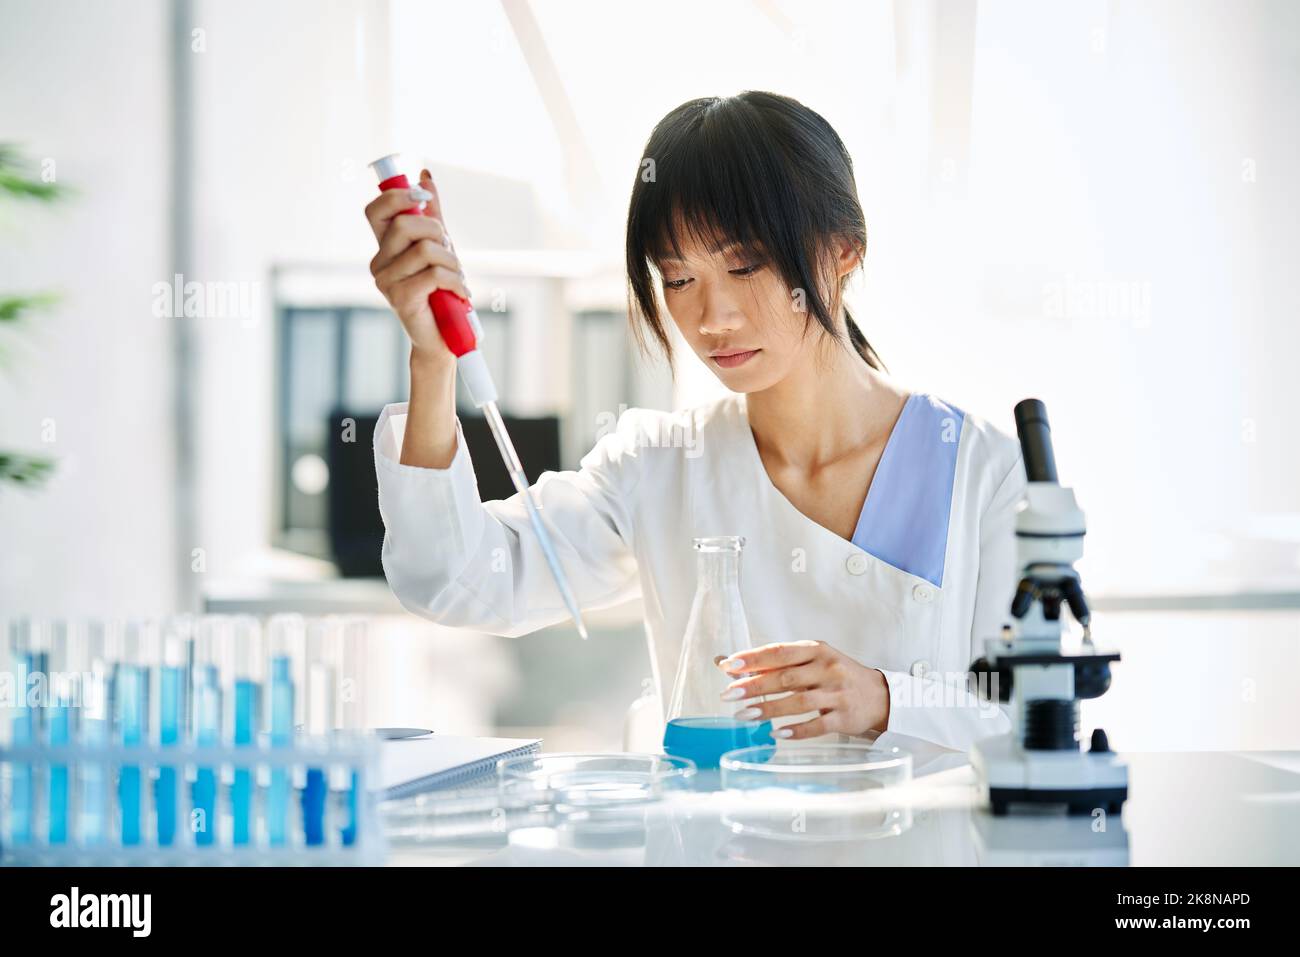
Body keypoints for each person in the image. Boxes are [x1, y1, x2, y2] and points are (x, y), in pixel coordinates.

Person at [362, 91, 1022, 751]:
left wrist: (883, 699)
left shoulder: (981, 467)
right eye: (679, 280)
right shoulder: (660, 463)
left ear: (844, 249)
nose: (713, 318)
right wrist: (432, 356)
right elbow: (456, 581)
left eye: (744, 265)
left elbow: (1031, 719)